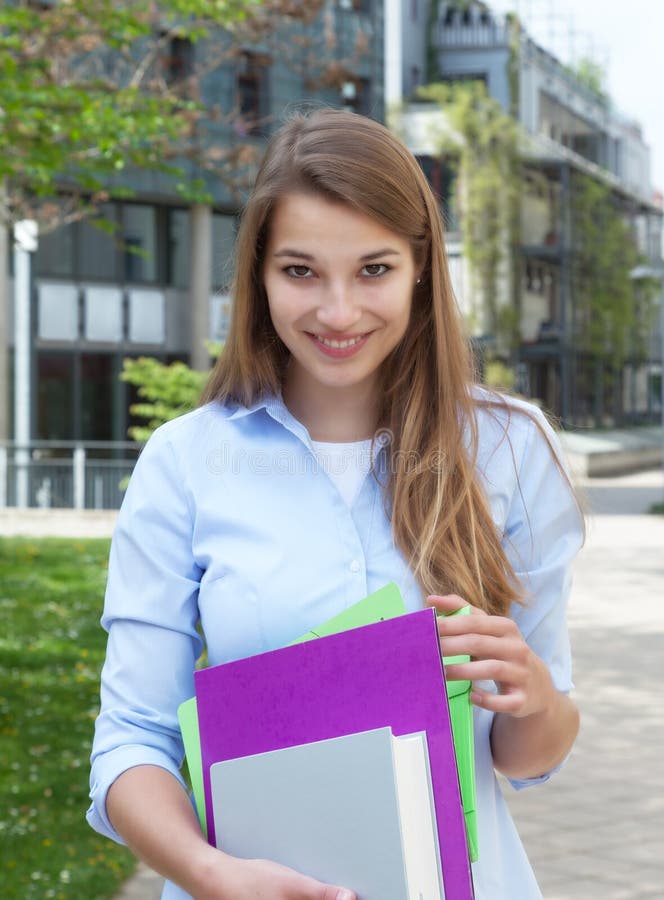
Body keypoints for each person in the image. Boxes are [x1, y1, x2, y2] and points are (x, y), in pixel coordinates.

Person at [87, 107, 584, 900]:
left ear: (423, 267)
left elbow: (530, 757)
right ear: (258, 274)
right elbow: (129, 743)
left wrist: (535, 695)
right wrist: (209, 873)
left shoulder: (513, 451)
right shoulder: (186, 463)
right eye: (301, 271)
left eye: (374, 270)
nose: (339, 312)